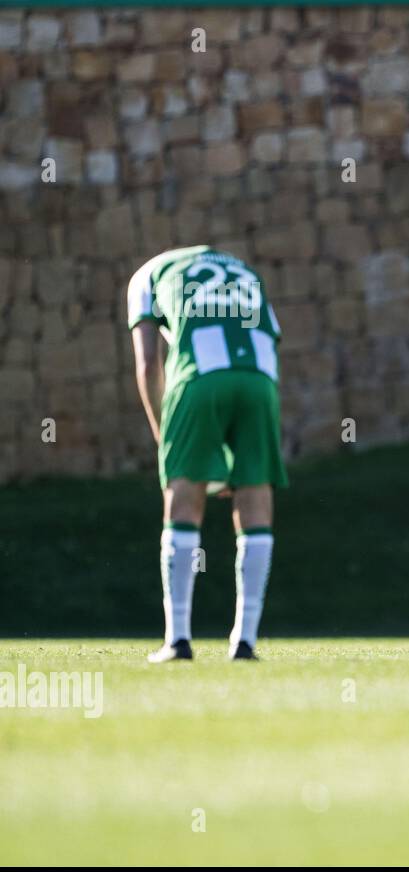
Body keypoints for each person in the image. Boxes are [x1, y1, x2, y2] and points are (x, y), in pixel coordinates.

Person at [127, 246, 287, 663]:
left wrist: (166, 439)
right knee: (255, 494)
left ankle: (177, 639)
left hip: (200, 378)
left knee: (182, 499)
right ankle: (245, 641)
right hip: (260, 379)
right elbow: (266, 336)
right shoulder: (244, 269)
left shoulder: (148, 275)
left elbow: (148, 365)